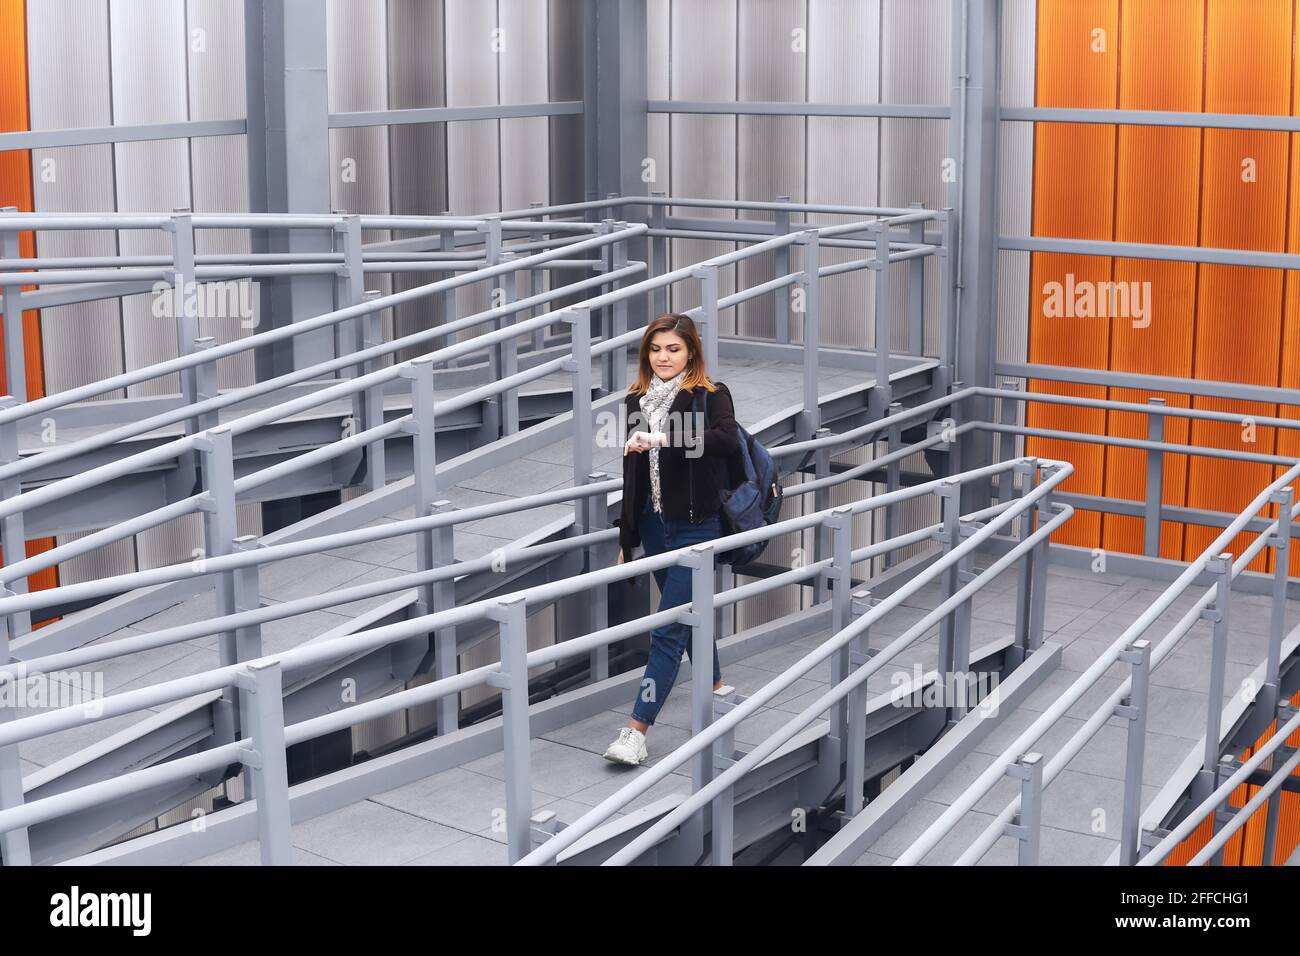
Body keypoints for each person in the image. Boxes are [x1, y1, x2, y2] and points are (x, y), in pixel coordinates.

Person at [603, 313, 742, 766]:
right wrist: (627, 537)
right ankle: (718, 689)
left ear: (691, 352)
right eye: (656, 349)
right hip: (654, 527)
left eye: (673, 349)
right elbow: (632, 476)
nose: (663, 357)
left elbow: (726, 442)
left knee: (667, 628)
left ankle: (636, 729)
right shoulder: (635, 400)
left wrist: (661, 437)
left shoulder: (710, 395)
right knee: (686, 615)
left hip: (697, 526)